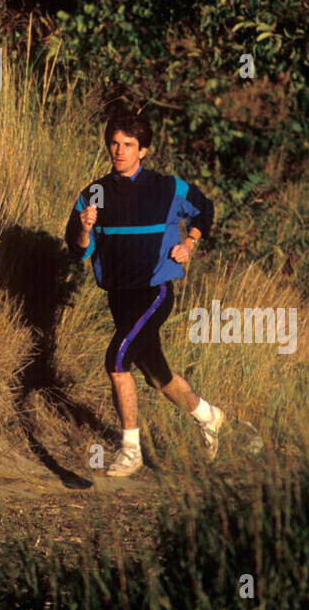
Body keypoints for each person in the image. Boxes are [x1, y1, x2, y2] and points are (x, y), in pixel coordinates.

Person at [65, 106, 223, 477]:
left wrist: (190, 243)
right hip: (117, 295)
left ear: (144, 150)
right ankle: (208, 416)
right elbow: (77, 251)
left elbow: (205, 209)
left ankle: (130, 449)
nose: (119, 151)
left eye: (128, 144)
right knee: (157, 376)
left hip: (154, 291)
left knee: (116, 359)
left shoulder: (167, 187)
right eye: (114, 144)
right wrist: (85, 229)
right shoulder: (94, 194)